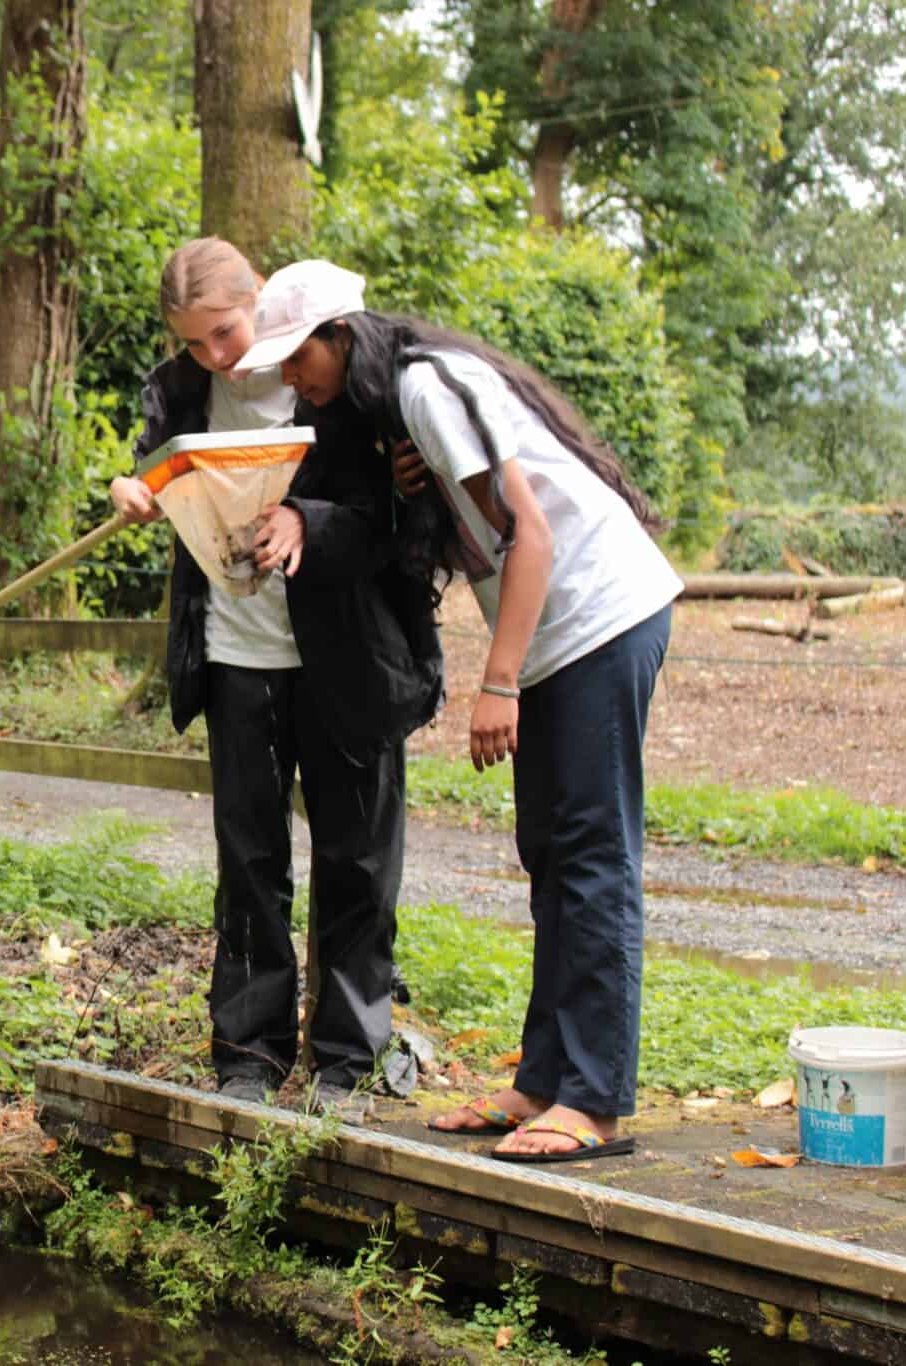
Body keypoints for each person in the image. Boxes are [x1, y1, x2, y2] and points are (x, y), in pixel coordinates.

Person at [242, 258, 681, 1163]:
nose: (291, 378)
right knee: (551, 853)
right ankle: (542, 1084)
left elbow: (533, 533)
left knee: (593, 853)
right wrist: (416, 493)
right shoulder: (402, 410)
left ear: (339, 336)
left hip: (601, 612)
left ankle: (594, 1103)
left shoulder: (426, 388)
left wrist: (499, 682)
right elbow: (469, 530)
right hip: (565, 630)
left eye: (298, 357)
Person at [108, 239, 441, 1119]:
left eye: (224, 332)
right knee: (249, 860)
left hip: (346, 655)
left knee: (358, 859)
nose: (217, 356)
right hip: (236, 655)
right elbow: (153, 469)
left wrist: (308, 520)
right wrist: (133, 487)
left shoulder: (342, 374)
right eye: (196, 344)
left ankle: (349, 1056)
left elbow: (389, 520)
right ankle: (249, 1051)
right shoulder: (181, 391)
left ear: (258, 297)